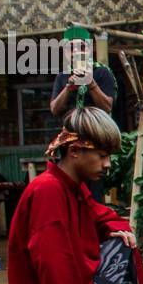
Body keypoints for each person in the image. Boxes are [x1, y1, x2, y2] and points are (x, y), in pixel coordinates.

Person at [5, 106, 143, 284]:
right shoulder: (48, 190)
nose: (108, 164)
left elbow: (100, 216)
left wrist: (115, 229)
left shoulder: (71, 186)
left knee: (122, 244)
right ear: (75, 151)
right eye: (102, 155)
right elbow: (54, 267)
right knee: (109, 252)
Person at [50, 25, 117, 204]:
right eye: (70, 48)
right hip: (70, 142)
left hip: (94, 141)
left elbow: (107, 106)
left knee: (93, 192)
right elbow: (55, 109)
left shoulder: (101, 72)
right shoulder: (62, 77)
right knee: (67, 188)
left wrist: (91, 83)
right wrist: (69, 88)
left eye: (80, 47)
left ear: (88, 49)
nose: (75, 52)